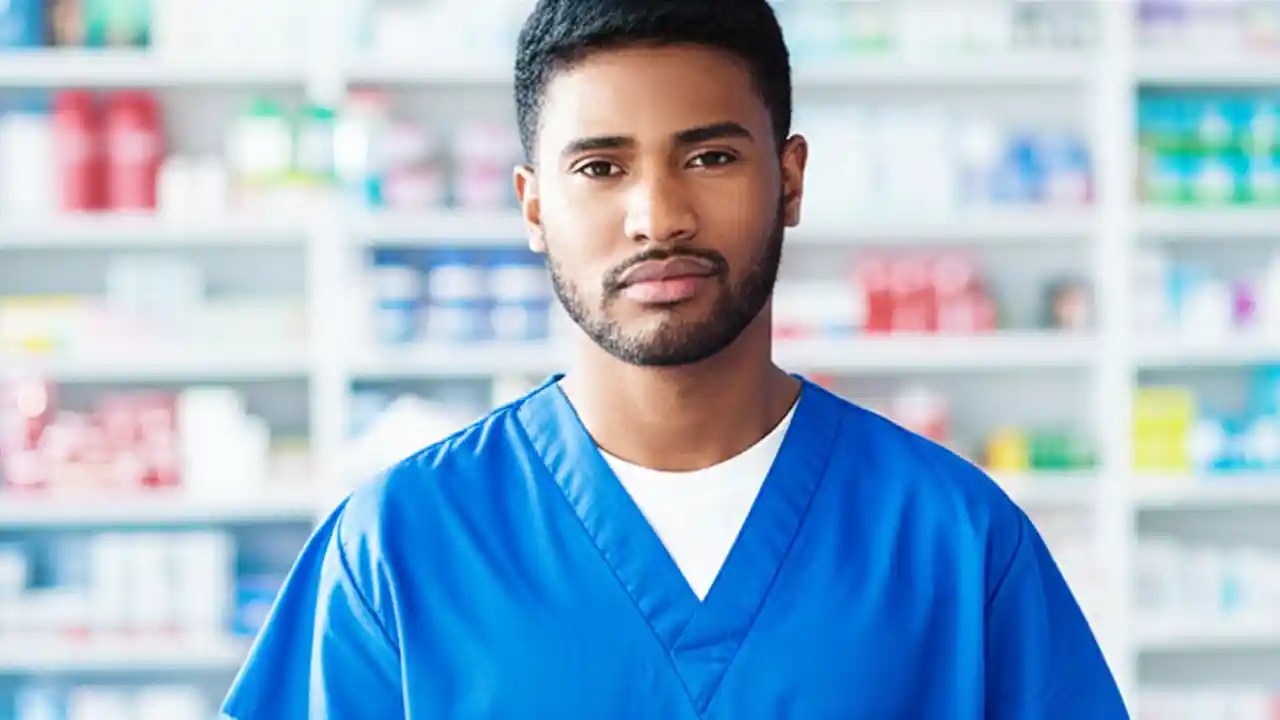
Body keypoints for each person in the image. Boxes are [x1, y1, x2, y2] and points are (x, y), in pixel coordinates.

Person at [221, 0, 1129, 717]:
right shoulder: (402, 546)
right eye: (600, 169)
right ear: (533, 209)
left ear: (791, 180)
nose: (659, 216)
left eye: (708, 156)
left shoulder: (954, 543)